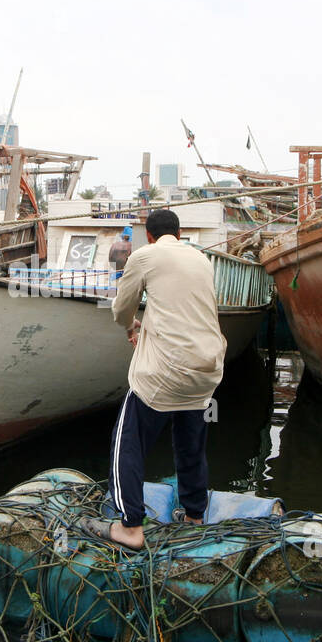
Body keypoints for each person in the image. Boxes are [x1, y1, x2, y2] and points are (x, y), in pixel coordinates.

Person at [82, 208, 226, 550]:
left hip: (165, 372)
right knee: (191, 442)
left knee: (127, 440)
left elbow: (121, 310)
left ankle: (130, 527)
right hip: (208, 367)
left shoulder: (145, 256)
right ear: (179, 234)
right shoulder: (201, 260)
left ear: (148, 235)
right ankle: (194, 515)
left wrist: (131, 327)